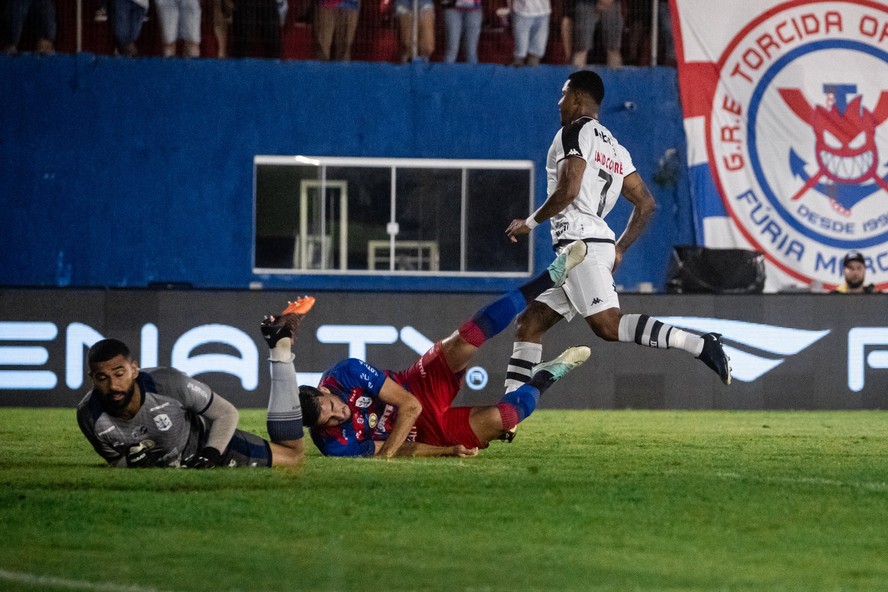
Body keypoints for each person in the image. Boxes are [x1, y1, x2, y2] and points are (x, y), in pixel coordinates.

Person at [503, 70, 731, 410]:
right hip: (593, 247)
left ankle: (699, 345)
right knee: (529, 323)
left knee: (608, 326)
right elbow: (646, 202)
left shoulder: (572, 132)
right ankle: (509, 410)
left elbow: (569, 189)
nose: (559, 102)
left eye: (563, 94)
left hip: (581, 246)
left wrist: (530, 223)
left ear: (578, 98)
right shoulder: (614, 146)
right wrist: (620, 248)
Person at [298, 241, 591, 458]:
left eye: (333, 407)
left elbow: (410, 406)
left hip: (416, 387)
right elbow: (391, 448)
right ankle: (544, 376)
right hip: (428, 432)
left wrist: (385, 458)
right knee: (506, 419)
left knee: (466, 338)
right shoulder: (332, 445)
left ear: (324, 391)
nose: (341, 415)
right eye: (330, 421)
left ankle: (550, 276)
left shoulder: (345, 373)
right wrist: (447, 451)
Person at [76, 297, 316, 469]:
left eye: (119, 373)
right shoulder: (89, 415)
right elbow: (114, 462)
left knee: (293, 458)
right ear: (92, 379)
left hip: (207, 445)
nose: (114, 384)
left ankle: (279, 349)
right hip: (180, 465)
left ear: (134, 369)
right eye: (102, 378)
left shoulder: (168, 384)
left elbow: (226, 413)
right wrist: (131, 465)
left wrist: (210, 456)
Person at [571, 0, 622, 69]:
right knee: (582, 49)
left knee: (613, 49)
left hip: (612, 4)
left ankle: (615, 78)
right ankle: (577, 78)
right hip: (586, 3)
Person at [510, 0, 550, 67]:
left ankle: (532, 71)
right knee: (520, 52)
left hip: (543, 11)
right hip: (523, 12)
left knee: (537, 50)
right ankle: (517, 70)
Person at [442, 0, 482, 64]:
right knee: (452, 48)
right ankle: (446, 73)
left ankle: (472, 73)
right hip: (451, 7)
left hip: (474, 8)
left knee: (471, 50)